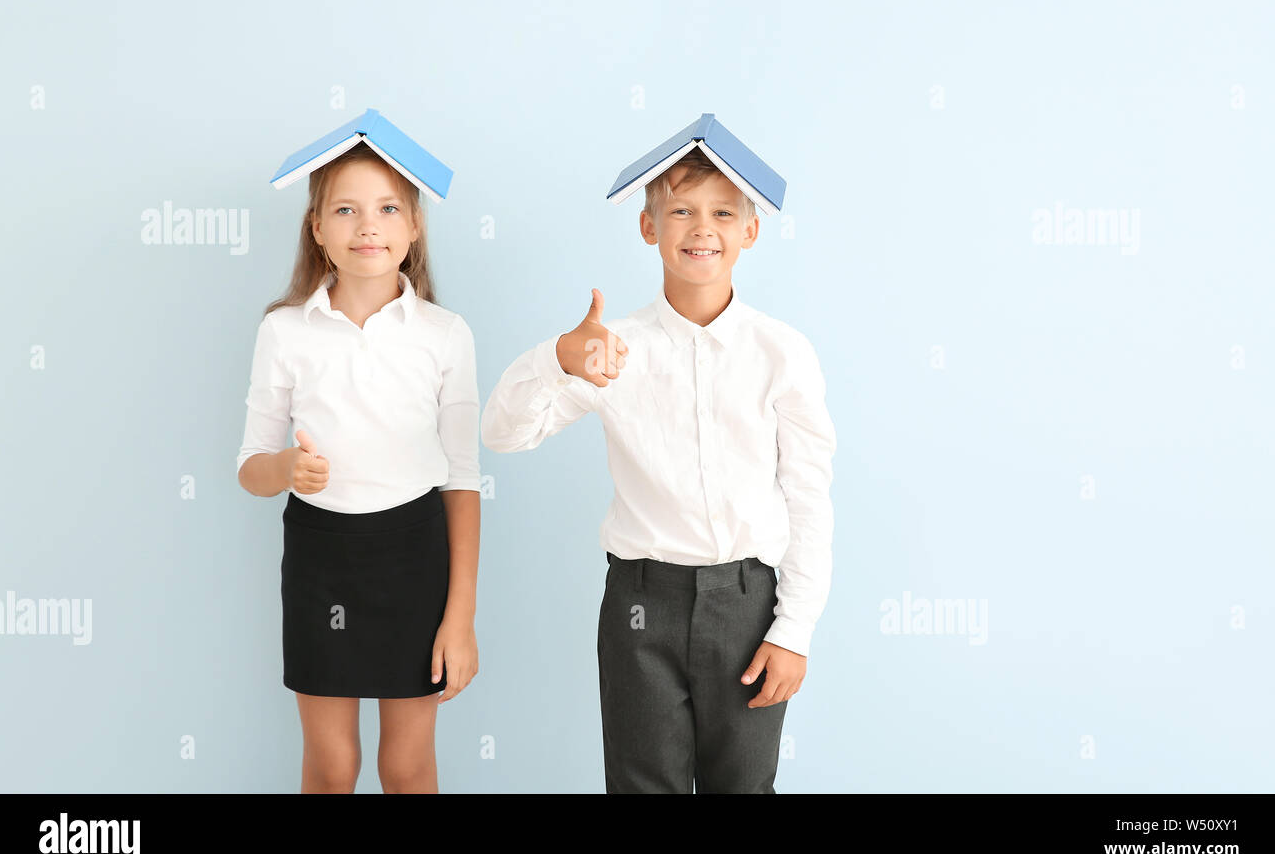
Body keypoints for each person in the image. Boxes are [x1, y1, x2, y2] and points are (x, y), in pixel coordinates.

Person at [480, 142, 837, 793]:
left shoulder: (782, 353)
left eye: (724, 214)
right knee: (642, 785)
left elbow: (809, 497)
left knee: (745, 786)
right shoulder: (612, 351)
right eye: (681, 211)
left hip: (749, 605)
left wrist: (795, 631)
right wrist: (558, 356)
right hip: (641, 605)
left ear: (750, 230)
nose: (703, 229)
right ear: (649, 227)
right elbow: (502, 435)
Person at [236, 140, 481, 793]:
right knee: (332, 765)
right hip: (322, 558)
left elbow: (461, 479)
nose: (368, 225)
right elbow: (250, 469)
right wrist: (287, 465)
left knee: (405, 766)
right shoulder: (284, 331)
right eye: (345, 209)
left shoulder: (445, 334)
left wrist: (459, 619)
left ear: (413, 226)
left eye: (387, 208)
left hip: (415, 556)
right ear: (317, 228)